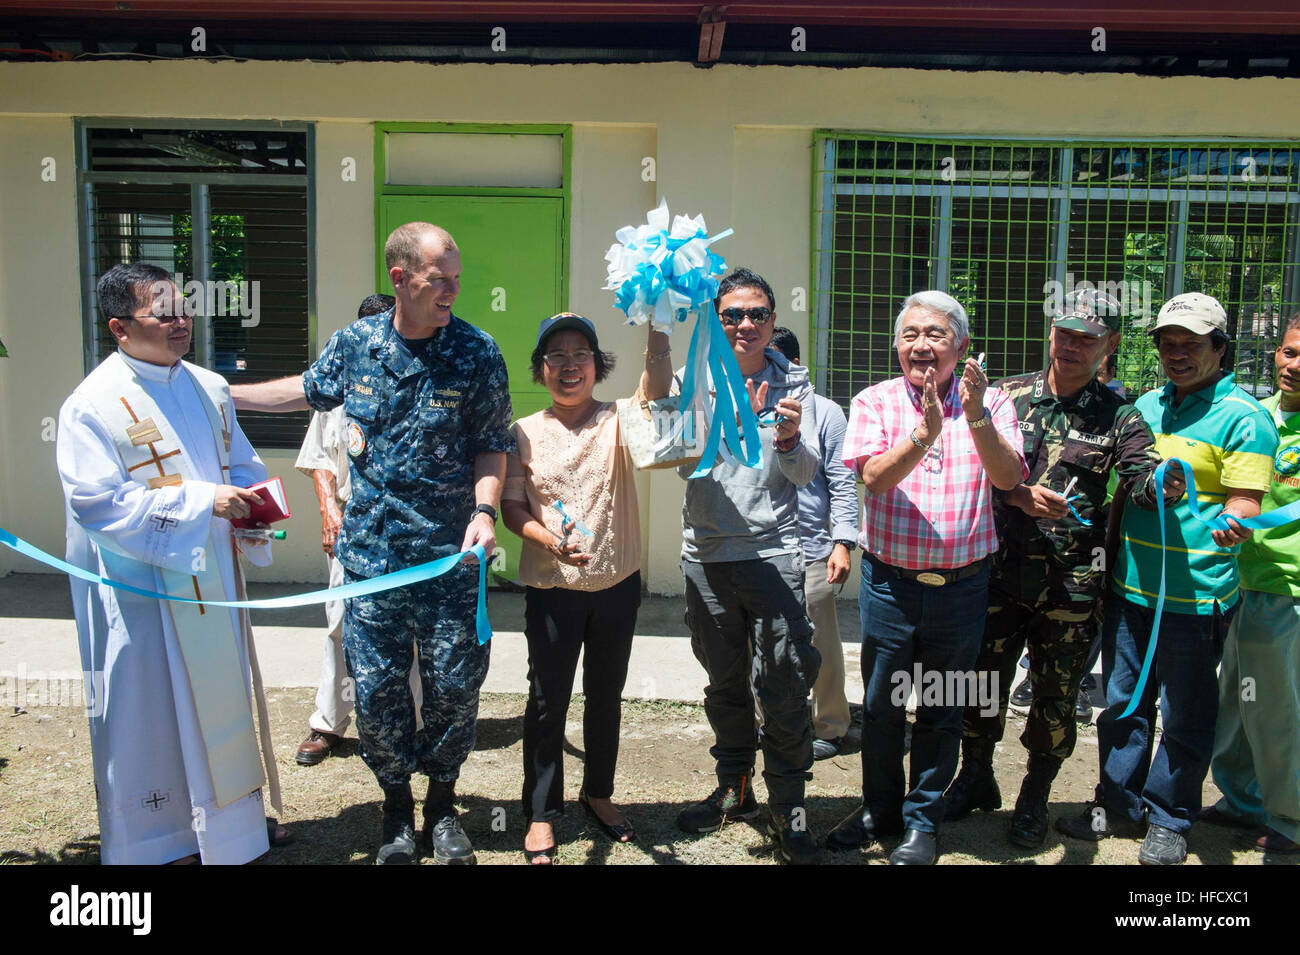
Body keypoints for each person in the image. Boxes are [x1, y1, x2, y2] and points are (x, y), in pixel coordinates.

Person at [230, 222, 514, 865]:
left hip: (449, 558)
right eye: (439, 277)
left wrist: (485, 510)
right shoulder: (355, 345)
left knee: (454, 688)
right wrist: (218, 390)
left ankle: (442, 807)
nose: (451, 289)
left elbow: (491, 442)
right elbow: (304, 391)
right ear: (400, 277)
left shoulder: (476, 350)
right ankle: (395, 809)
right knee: (379, 692)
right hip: (373, 562)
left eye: (457, 278)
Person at [57, 262, 281, 865]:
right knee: (149, 714)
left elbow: (241, 464)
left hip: (208, 582)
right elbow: (96, 503)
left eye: (185, 309)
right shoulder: (91, 406)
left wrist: (253, 506)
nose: (182, 323)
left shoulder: (208, 387)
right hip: (141, 592)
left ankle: (232, 833)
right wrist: (203, 502)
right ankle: (159, 843)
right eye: (165, 313)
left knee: (218, 707)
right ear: (120, 327)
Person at [943, 289, 1177, 848]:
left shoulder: (1122, 416)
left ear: (1110, 346)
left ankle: (1034, 796)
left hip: (1069, 585)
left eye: (1088, 339)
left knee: (1054, 697)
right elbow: (965, 465)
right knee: (980, 685)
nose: (1072, 346)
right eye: (1065, 333)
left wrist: (1160, 484)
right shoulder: (1006, 397)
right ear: (1051, 334)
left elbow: (1141, 477)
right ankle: (975, 777)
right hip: (995, 571)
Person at [1057, 292, 1278, 865]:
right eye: (1168, 344)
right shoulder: (1144, 407)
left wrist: (1235, 525)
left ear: (1220, 350)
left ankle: (1170, 817)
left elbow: (1247, 499)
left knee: (1187, 713)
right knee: (1124, 703)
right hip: (1130, 588)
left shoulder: (1244, 417)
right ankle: (1118, 802)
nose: (1177, 354)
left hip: (1196, 597)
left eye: (1192, 345)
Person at [832, 290, 1026, 865]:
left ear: (960, 347)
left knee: (943, 707)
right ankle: (880, 808)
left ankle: (922, 821)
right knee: (884, 702)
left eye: (936, 335)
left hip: (963, 587)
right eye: (911, 334)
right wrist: (924, 432)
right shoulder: (874, 402)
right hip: (891, 585)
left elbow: (1010, 476)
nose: (922, 345)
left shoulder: (993, 404)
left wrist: (974, 416)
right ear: (896, 346)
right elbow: (874, 480)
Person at [502, 312, 671, 864]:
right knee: (548, 700)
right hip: (552, 588)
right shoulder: (522, 431)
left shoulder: (622, 418)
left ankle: (598, 792)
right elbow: (512, 506)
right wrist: (546, 539)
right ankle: (541, 813)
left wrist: (659, 323)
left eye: (581, 355)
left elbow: (659, 387)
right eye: (556, 356)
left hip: (616, 587)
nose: (568, 365)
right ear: (541, 369)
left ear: (598, 366)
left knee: (605, 695)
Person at [673, 268, 824, 865]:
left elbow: (805, 474)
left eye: (757, 314)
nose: (745, 325)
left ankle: (791, 808)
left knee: (785, 683)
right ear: (715, 319)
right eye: (732, 314)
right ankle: (735, 787)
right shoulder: (695, 378)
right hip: (707, 557)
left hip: (773, 556)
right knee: (724, 683)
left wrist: (787, 440)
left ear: (772, 319)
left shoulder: (794, 383)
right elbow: (680, 463)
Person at [293, 293, 425, 766]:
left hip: (410, 525)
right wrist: (329, 511)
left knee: (406, 629)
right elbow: (320, 458)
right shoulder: (339, 383)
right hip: (352, 522)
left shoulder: (419, 381)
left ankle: (407, 723)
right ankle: (328, 723)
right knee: (340, 624)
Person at [1203, 313, 1300, 854]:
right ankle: (1241, 799)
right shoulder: (1256, 417)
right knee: (1238, 699)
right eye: (1288, 352)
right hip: (1236, 583)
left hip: (1287, 588)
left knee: (1279, 711)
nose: (1294, 365)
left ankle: (1290, 819)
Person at [769, 326, 857, 760]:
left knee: (820, 641)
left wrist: (843, 541)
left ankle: (831, 725)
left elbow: (842, 483)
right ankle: (765, 721)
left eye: (776, 363)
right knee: (760, 642)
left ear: (794, 366)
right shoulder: (737, 407)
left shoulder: (826, 413)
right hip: (759, 550)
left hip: (813, 548)